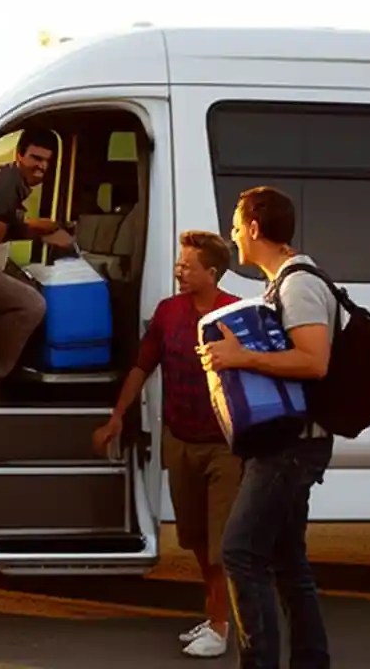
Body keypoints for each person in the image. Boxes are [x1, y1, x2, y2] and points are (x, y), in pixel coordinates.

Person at [200, 186, 334, 669]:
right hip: (292, 441)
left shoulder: (298, 283)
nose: (233, 235)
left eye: (236, 226)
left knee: (239, 552)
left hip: (292, 446)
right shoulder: (285, 282)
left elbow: (314, 361)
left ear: (255, 228)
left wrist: (242, 357)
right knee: (287, 563)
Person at [92, 230, 241, 658]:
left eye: (187, 266)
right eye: (179, 263)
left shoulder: (234, 314)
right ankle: (213, 613)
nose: (179, 270)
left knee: (220, 546)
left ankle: (221, 624)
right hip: (180, 438)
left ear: (211, 273)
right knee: (194, 537)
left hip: (224, 445)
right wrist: (118, 415)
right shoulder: (168, 311)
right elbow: (143, 364)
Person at [0, 127, 75, 400]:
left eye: (47, 161)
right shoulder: (4, 183)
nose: (41, 166)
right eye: (35, 158)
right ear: (19, 155)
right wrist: (35, 230)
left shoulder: (12, 183)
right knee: (32, 304)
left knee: (31, 285)